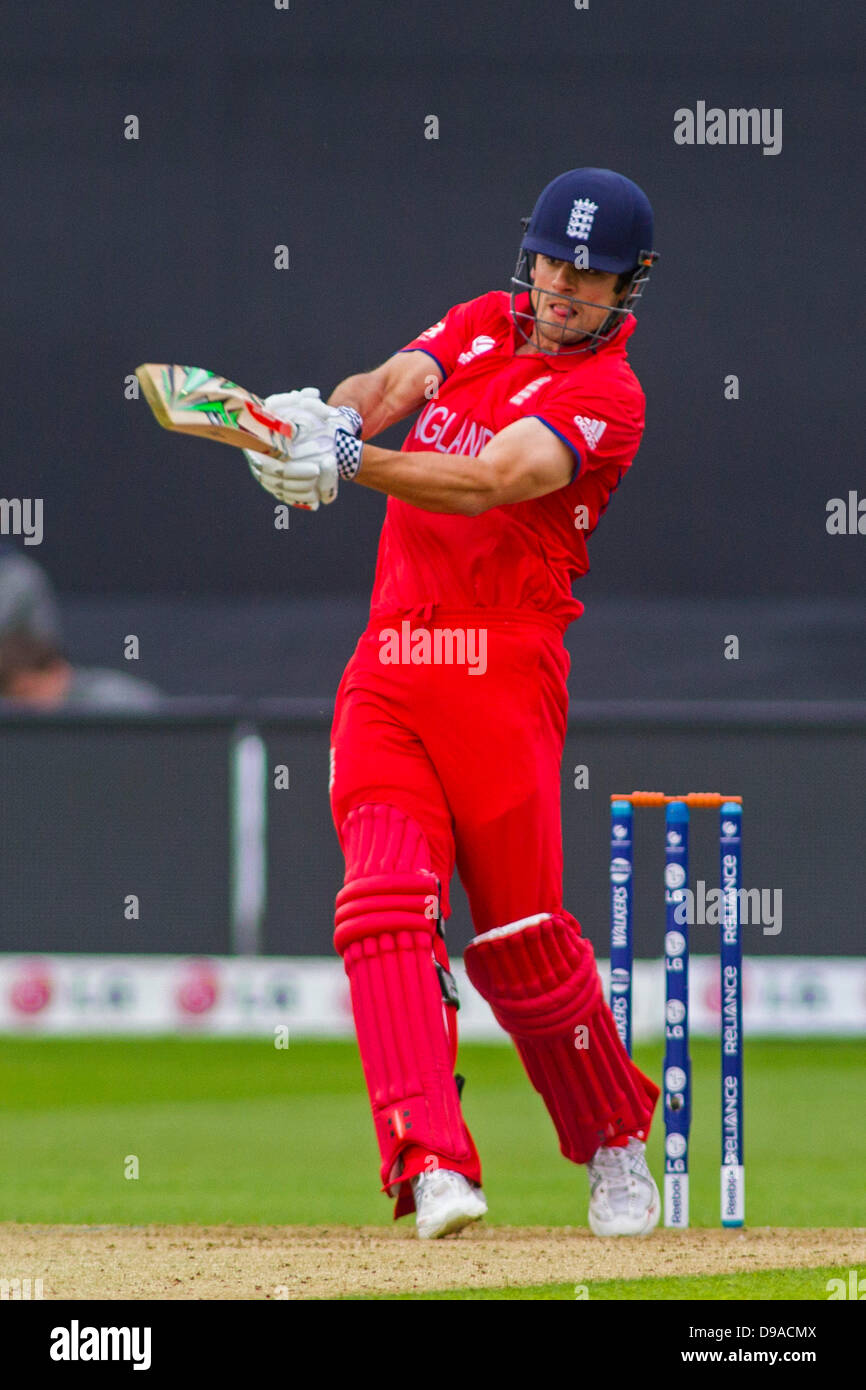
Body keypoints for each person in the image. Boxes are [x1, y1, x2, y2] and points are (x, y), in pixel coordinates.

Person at [245, 168, 662, 1239]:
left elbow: (489, 481)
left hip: (501, 672)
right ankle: (430, 1162)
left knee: (520, 941)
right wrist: (314, 423)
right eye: (550, 261)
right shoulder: (481, 322)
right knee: (382, 906)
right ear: (525, 256)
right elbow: (385, 383)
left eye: (589, 273)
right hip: (390, 664)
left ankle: (614, 1137)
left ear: (629, 285)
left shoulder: (608, 398)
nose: (562, 286)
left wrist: (352, 461)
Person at [0, 631, 162, 710]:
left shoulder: (111, 699)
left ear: (57, 671)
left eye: (29, 691)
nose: (28, 705)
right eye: (16, 699)